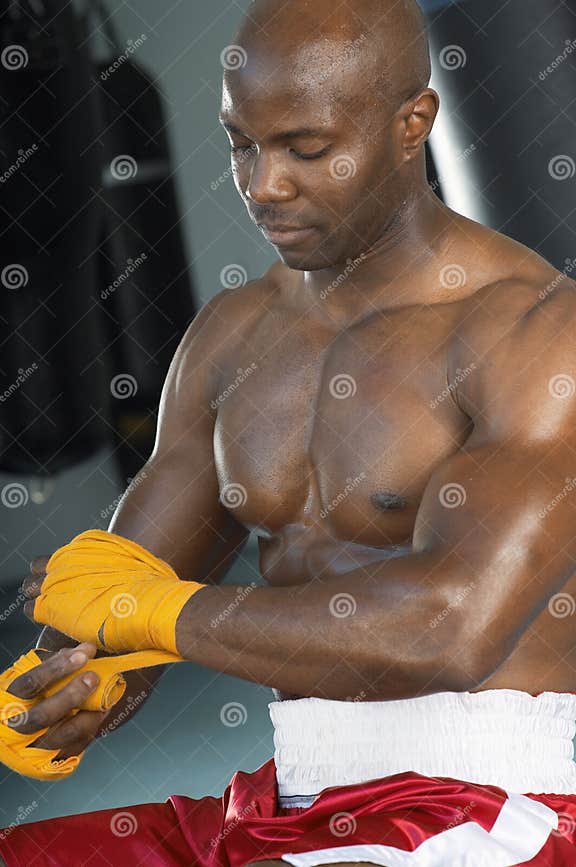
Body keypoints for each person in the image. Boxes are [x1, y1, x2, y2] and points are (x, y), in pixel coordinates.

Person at [1, 0, 576, 863]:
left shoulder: (532, 330)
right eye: (241, 144)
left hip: (492, 802)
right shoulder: (231, 335)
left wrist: (160, 613)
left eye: (306, 149)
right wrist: (74, 687)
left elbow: (450, 627)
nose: (264, 184)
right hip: (286, 805)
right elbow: (129, 600)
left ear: (413, 121)